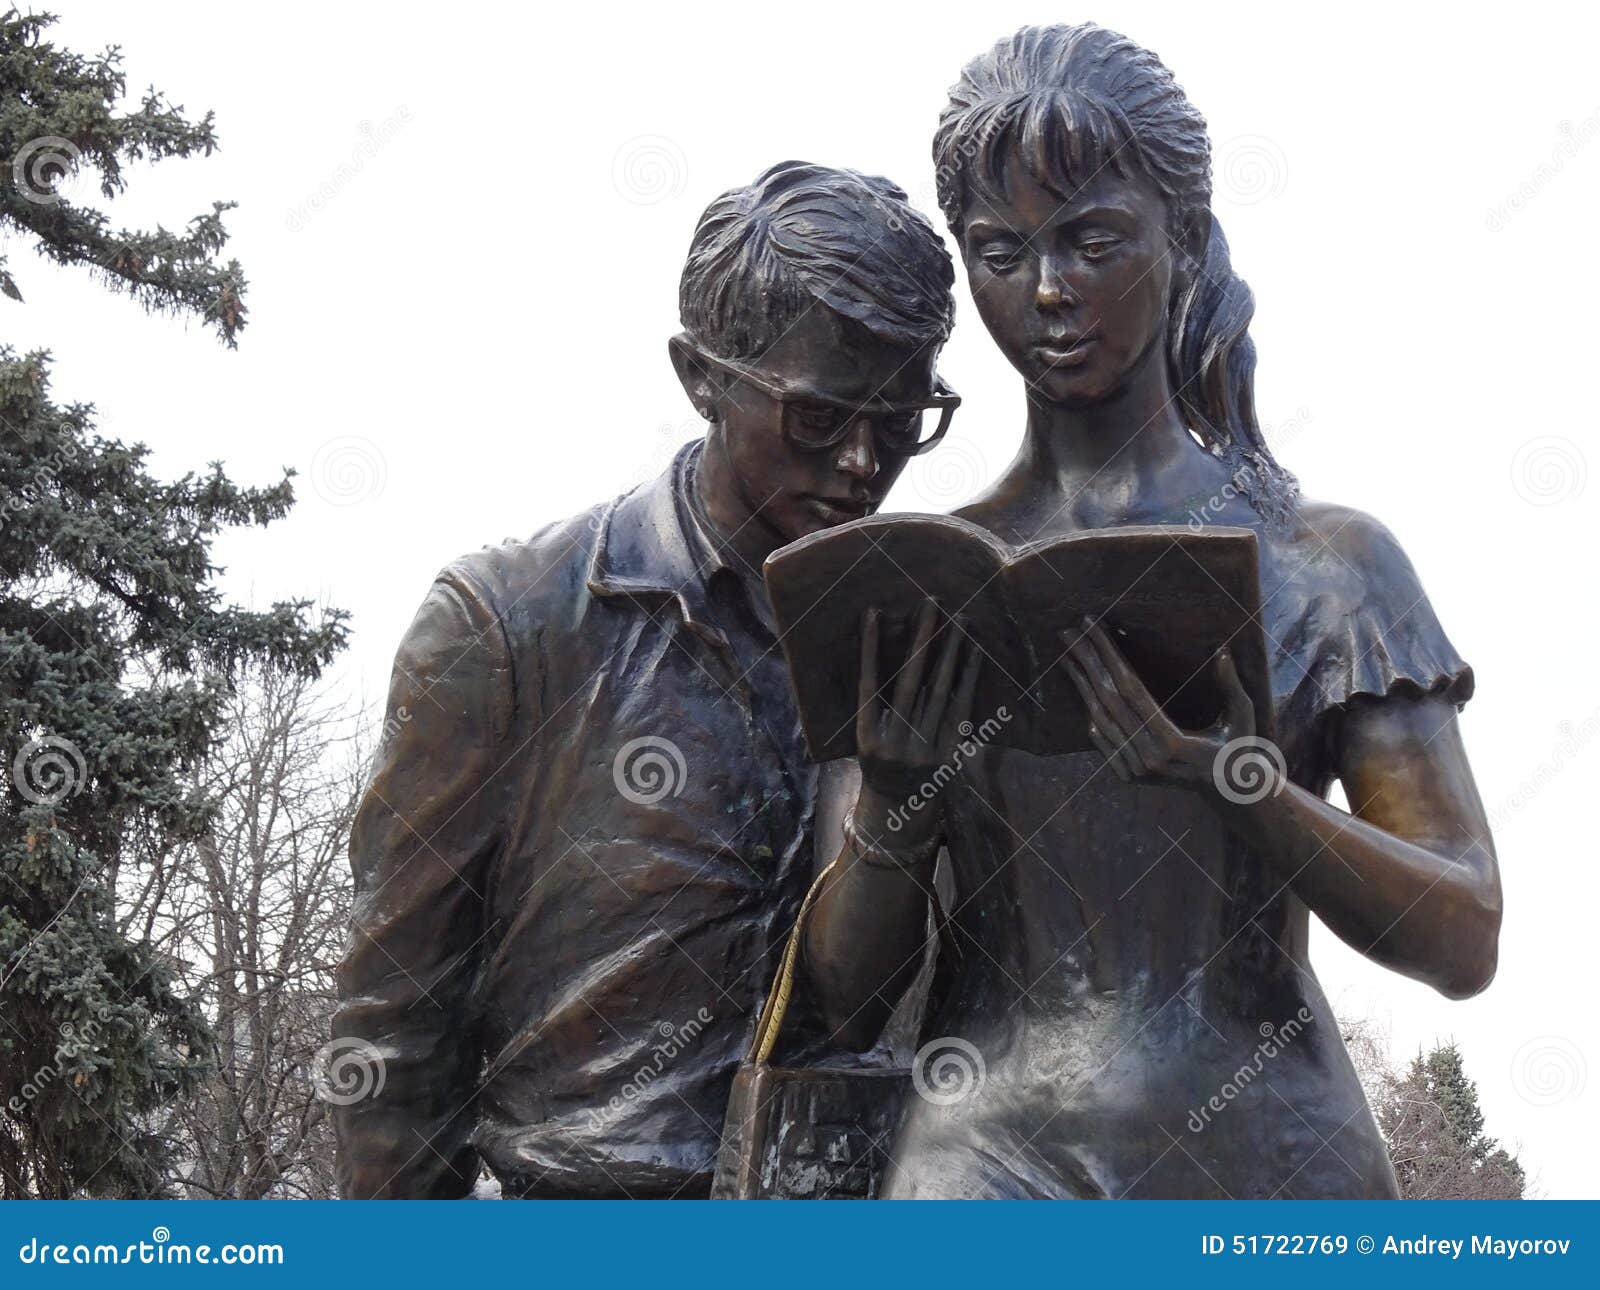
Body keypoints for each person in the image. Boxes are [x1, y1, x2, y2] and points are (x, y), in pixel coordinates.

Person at [802, 25, 1501, 1199]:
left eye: (1092, 239)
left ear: (1180, 236)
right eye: (1000, 250)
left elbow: (1462, 935)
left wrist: (1247, 790)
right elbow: (841, 999)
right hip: (978, 1177)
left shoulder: (1326, 565)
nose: (1048, 290)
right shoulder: (916, 577)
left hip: (1271, 1163)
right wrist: (892, 804)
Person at [332, 160, 958, 1198]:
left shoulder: (919, 635)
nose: (860, 463)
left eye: (899, 425)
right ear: (700, 374)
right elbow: (394, 1024)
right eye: (817, 416)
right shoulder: (512, 625)